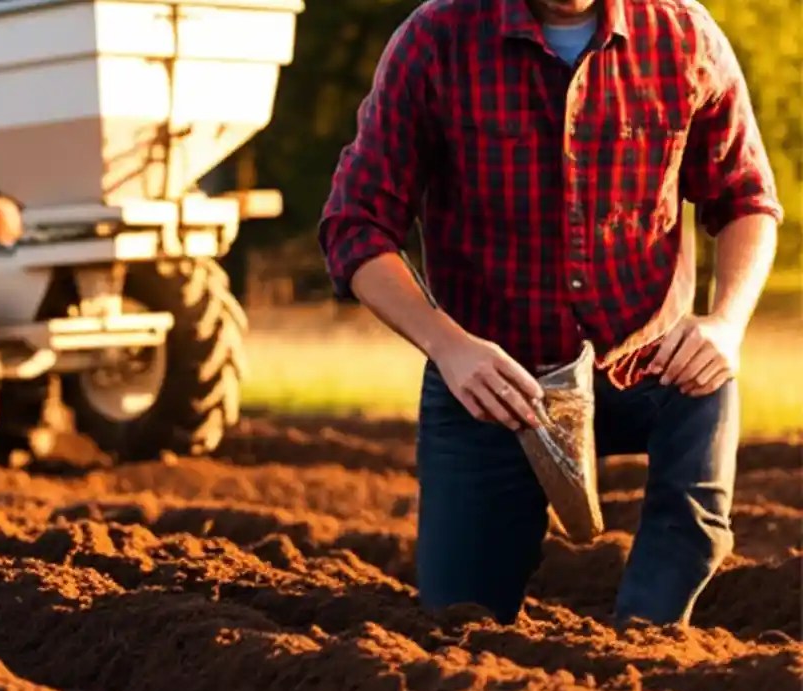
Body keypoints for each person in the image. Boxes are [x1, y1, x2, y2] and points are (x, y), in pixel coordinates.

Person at [318, 0, 782, 626]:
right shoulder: (436, 39)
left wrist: (725, 323)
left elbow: (745, 197)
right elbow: (356, 226)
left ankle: (645, 643)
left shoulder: (682, 34)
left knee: (706, 388)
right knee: (462, 623)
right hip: (493, 384)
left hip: (644, 367)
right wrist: (447, 345)